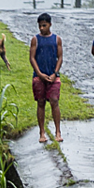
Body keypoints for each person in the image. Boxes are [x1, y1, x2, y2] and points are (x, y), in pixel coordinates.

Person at [29, 13, 64, 143]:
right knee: (41, 102)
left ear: (50, 24)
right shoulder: (35, 39)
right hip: (39, 76)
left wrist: (55, 73)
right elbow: (32, 58)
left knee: (54, 101)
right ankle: (42, 132)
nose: (42, 28)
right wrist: (39, 73)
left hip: (53, 76)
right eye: (40, 26)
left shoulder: (56, 39)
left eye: (44, 25)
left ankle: (58, 132)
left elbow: (60, 57)